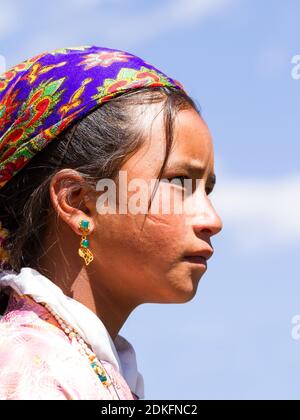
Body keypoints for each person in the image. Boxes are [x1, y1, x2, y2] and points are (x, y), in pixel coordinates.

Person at [0, 45, 223, 400]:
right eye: (180, 183)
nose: (212, 219)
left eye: (207, 190)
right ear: (79, 203)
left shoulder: (85, 365)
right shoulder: (30, 375)